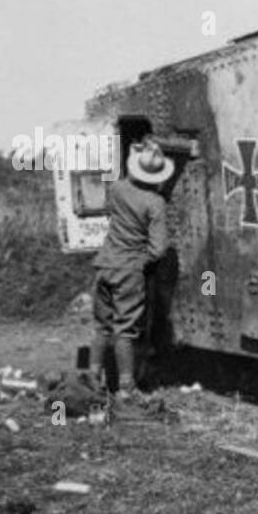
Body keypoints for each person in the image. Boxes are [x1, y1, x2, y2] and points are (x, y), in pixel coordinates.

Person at [90, 138, 174, 399]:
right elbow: (159, 248)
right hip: (128, 270)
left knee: (103, 327)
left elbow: (113, 205)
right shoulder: (155, 202)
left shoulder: (116, 189)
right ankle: (126, 387)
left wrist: (137, 150)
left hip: (104, 264)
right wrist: (142, 262)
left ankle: (92, 377)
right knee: (125, 329)